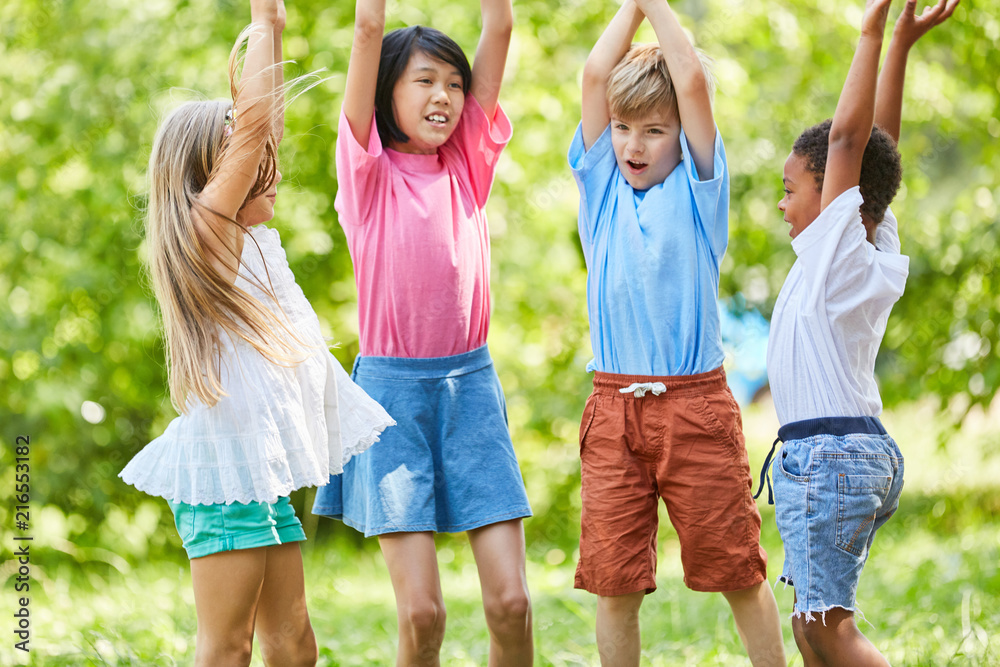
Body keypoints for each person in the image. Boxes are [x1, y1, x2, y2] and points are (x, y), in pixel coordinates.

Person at [119, 2, 394, 664]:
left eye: (268, 154)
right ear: (209, 178)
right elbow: (252, 127)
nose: (269, 165)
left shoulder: (254, 243)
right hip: (222, 484)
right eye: (251, 158)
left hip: (258, 481)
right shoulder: (209, 238)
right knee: (228, 649)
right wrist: (266, 19)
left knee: (295, 643)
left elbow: (255, 132)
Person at [310, 0, 533, 663]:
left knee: (512, 604)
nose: (444, 94)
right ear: (388, 93)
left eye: (455, 83)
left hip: (472, 391)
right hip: (391, 400)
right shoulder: (366, 174)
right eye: (426, 79)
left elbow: (501, 26)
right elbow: (368, 29)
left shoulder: (465, 164)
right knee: (423, 614)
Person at [568, 0, 785, 664]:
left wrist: (654, 6)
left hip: (695, 408)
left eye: (654, 130)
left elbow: (690, 80)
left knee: (737, 568)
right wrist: (630, 7)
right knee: (615, 582)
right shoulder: (601, 191)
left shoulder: (699, 194)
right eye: (624, 127)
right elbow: (593, 74)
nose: (633, 144)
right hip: (614, 412)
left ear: (680, 136)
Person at [766, 0, 958, 664]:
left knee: (827, 628)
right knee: (809, 625)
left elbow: (852, 144)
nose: (783, 204)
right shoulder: (865, 242)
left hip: (830, 458)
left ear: (837, 198)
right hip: (834, 454)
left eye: (790, 189)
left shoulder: (835, 250)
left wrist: (872, 30)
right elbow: (881, 153)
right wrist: (903, 46)